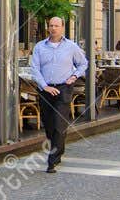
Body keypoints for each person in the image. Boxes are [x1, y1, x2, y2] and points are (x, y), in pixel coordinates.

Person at [31, 16, 87, 172]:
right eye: (51, 25)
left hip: (63, 89)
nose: (53, 28)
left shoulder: (71, 47)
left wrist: (74, 76)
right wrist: (44, 86)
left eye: (56, 25)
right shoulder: (40, 47)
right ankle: (58, 148)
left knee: (59, 124)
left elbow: (83, 63)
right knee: (49, 125)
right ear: (48, 27)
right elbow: (34, 69)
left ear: (62, 28)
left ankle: (52, 160)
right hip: (46, 90)